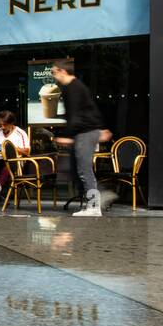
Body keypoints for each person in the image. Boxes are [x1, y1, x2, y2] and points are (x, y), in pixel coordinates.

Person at [51, 61, 112, 216]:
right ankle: (101, 195)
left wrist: (66, 135)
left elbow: (76, 116)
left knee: (84, 169)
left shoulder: (74, 87)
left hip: (86, 132)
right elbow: (88, 110)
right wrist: (101, 128)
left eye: (53, 72)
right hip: (84, 131)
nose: (53, 75)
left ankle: (94, 206)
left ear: (62, 71)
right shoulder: (71, 87)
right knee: (76, 169)